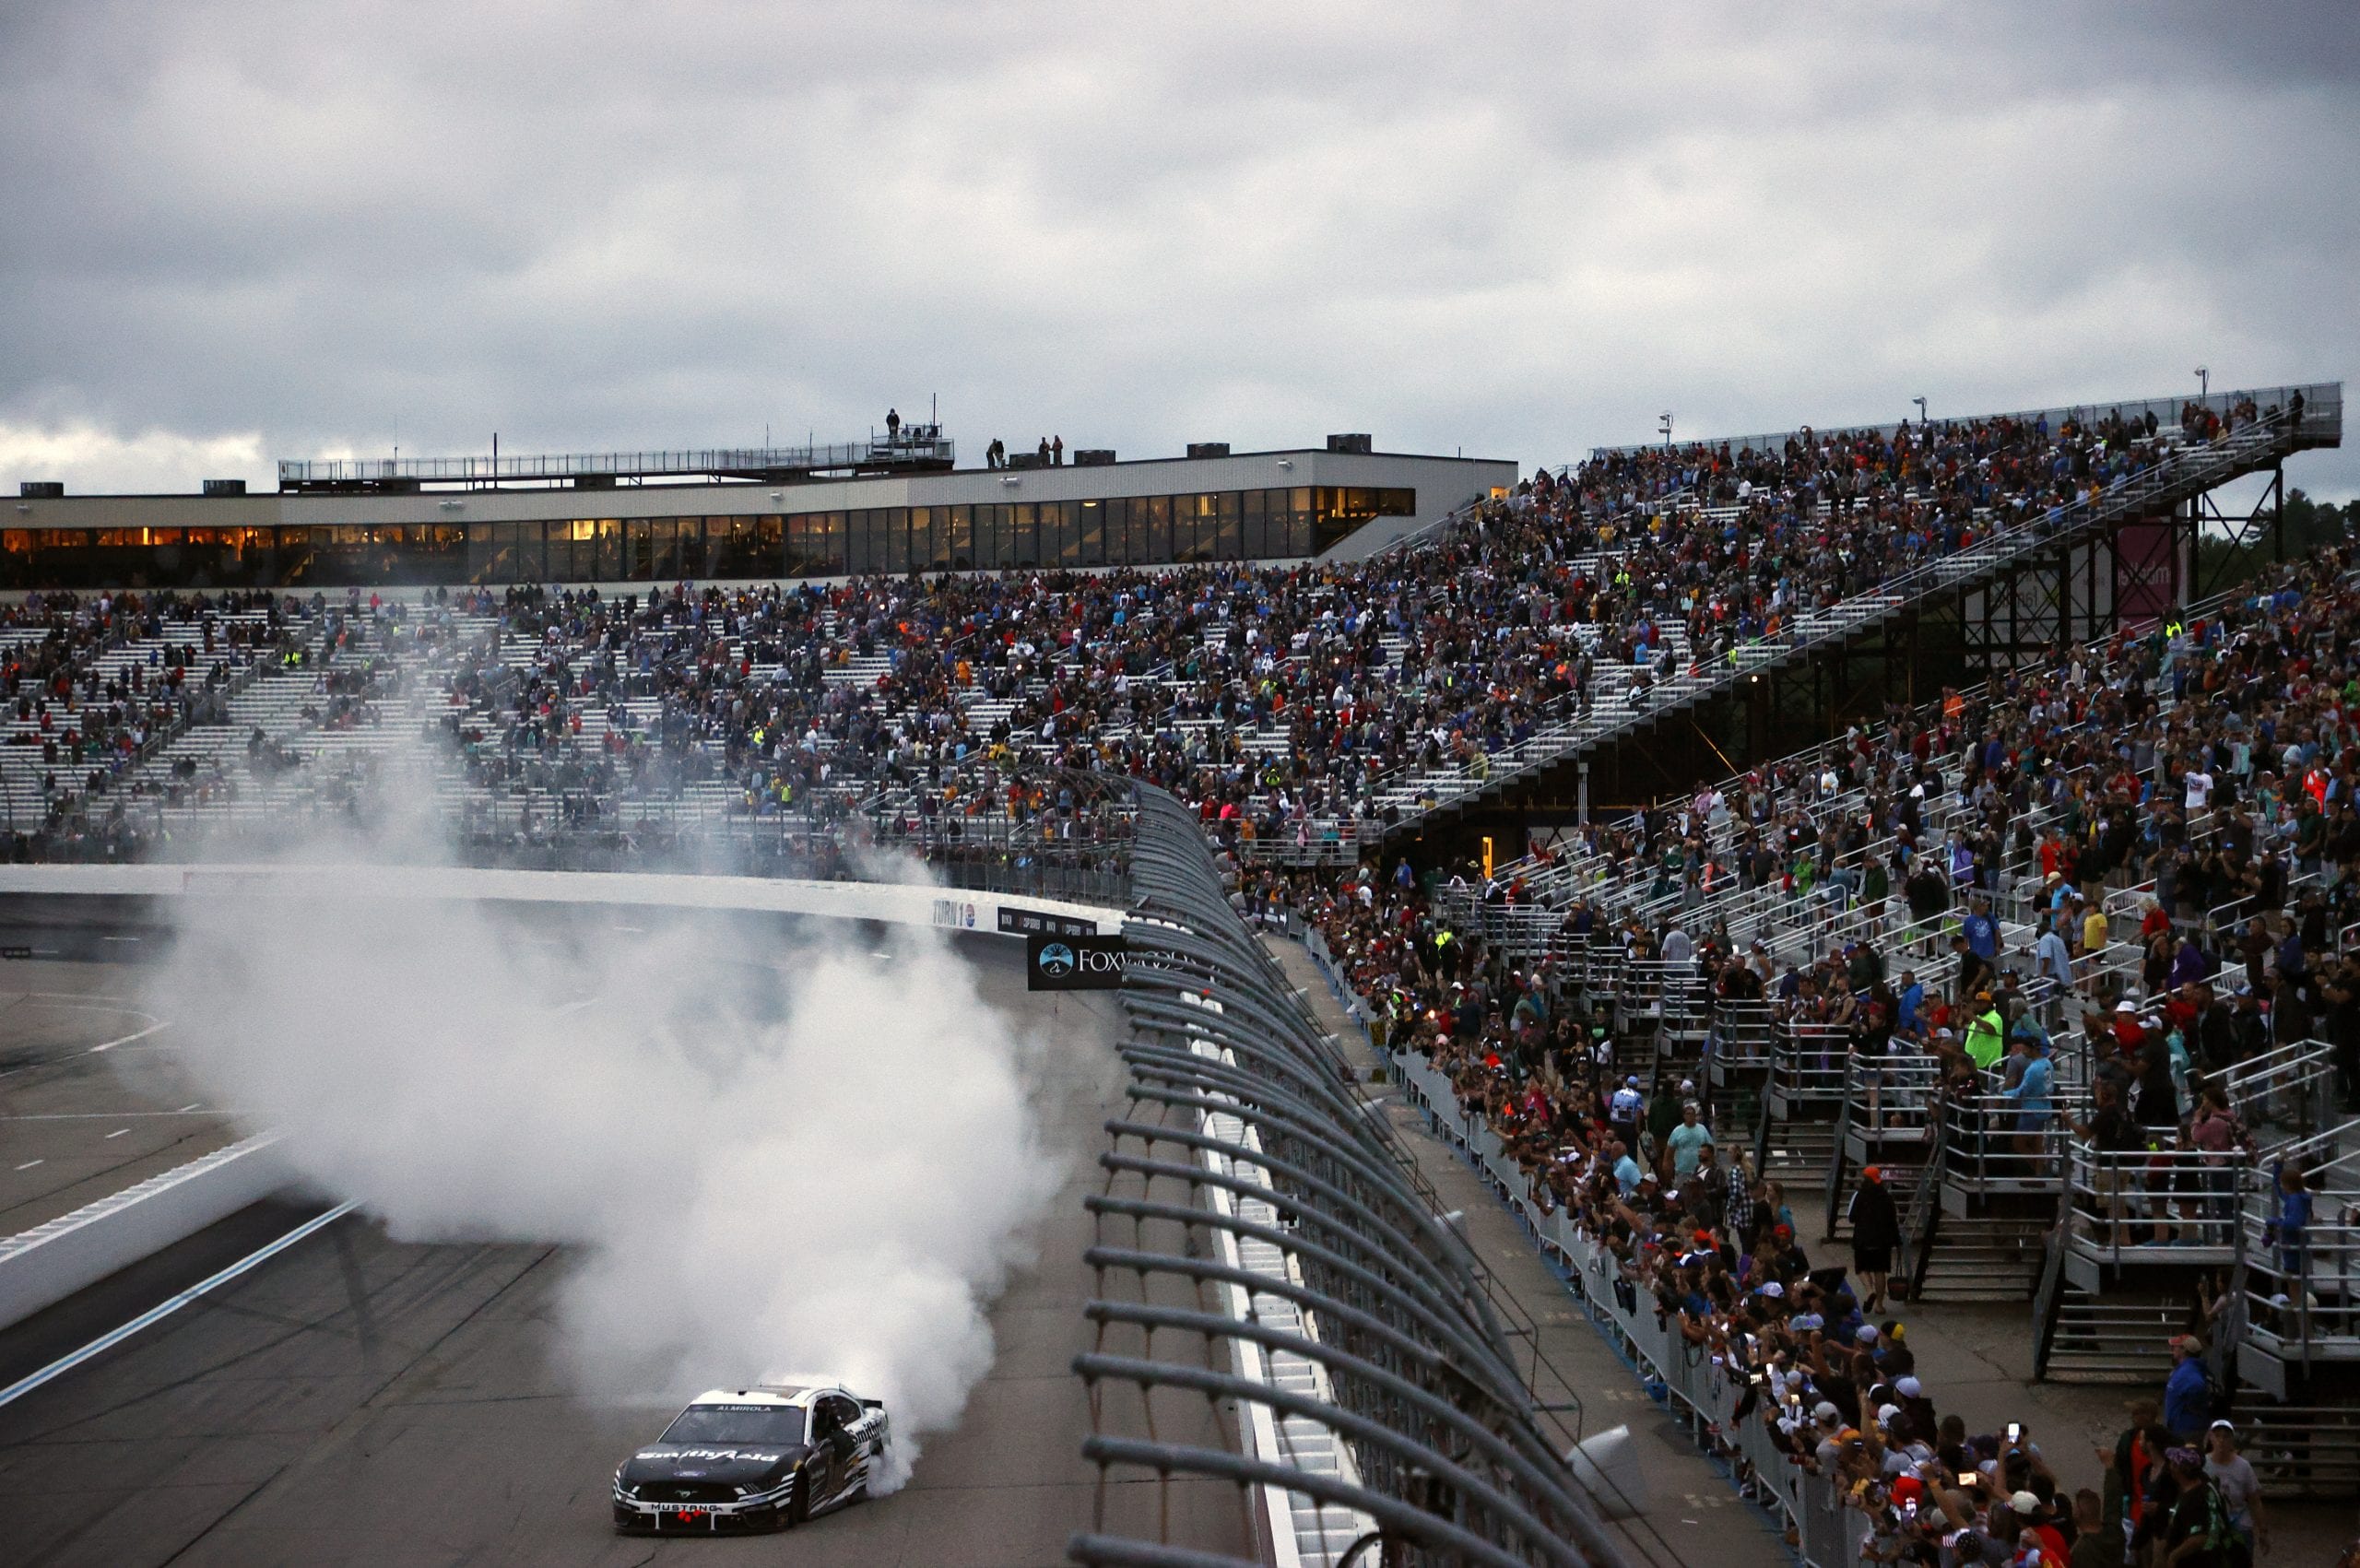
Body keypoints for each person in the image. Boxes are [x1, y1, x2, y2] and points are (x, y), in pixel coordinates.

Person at [2202, 1420, 2267, 1558]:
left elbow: (2254, 1500)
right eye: (2217, 1435)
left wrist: (2262, 1530)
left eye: (2226, 1436)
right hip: (2210, 1523)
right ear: (2210, 1438)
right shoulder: (2203, 1465)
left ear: (2232, 1440)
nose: (2221, 1440)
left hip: (2238, 1523)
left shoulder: (2243, 1466)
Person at [1847, 1164, 1900, 1313]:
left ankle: (1870, 1290)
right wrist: (1896, 1240)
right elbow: (1892, 1219)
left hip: (1863, 1238)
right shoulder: (1886, 1196)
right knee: (1880, 1270)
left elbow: (1851, 1217)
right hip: (1882, 1240)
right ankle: (1879, 1305)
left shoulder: (1859, 1195)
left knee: (1861, 1267)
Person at [2163, 1335, 2212, 1444]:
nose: (2172, 1349)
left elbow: (2197, 1387)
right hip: (2182, 1427)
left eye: (2175, 1346)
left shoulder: (2188, 1372)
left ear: (2184, 1350)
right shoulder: (2187, 1369)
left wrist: (2192, 1407)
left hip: (2186, 1429)